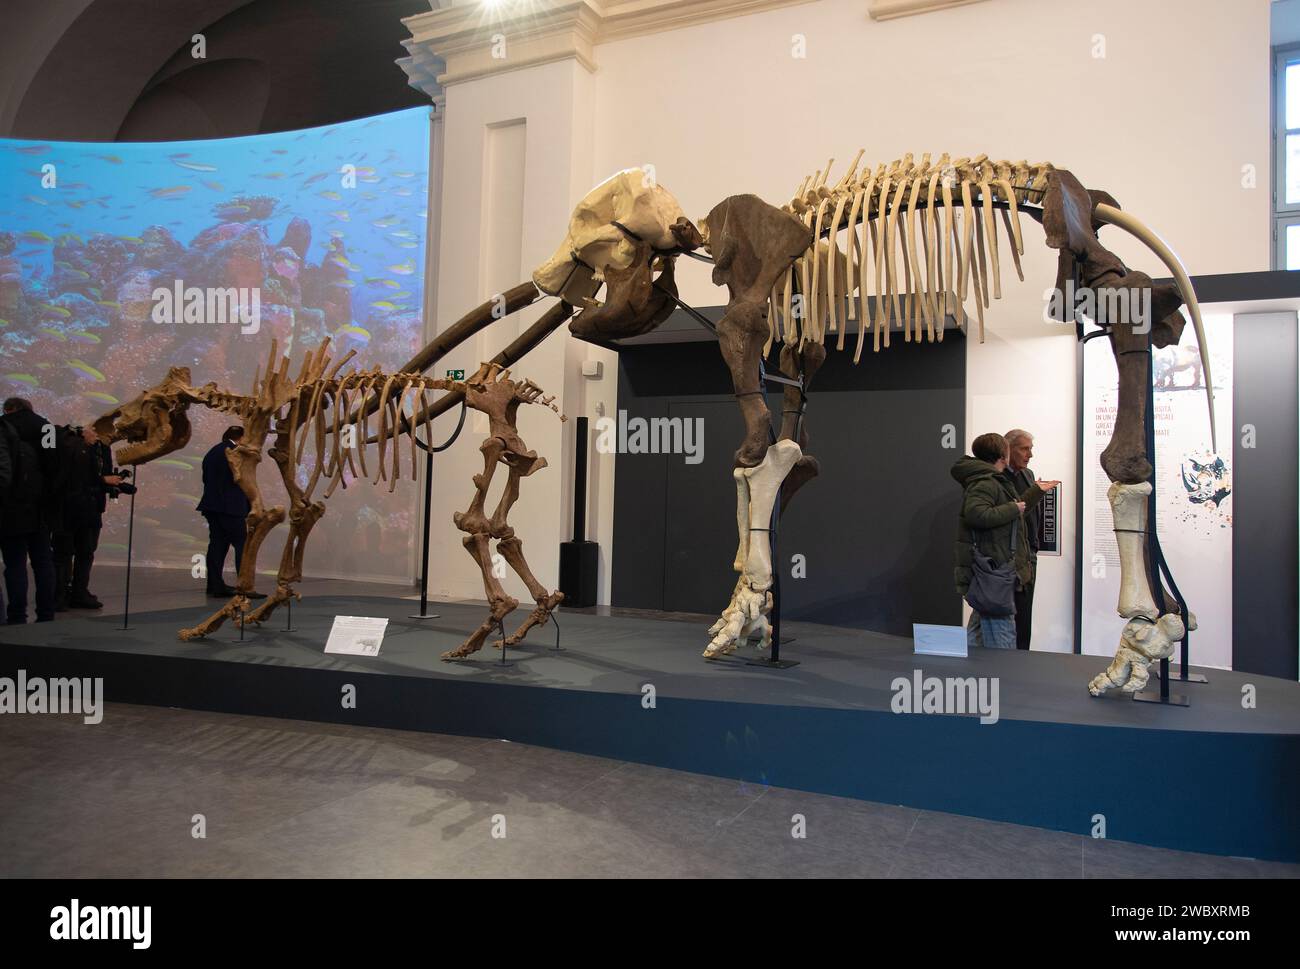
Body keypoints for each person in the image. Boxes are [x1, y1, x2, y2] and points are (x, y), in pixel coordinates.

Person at [950, 433, 1057, 649]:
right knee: (1003, 640)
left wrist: (1033, 494)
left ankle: (969, 674)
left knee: (979, 632)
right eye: (1024, 449)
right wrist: (1013, 507)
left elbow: (1014, 512)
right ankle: (1004, 679)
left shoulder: (993, 480)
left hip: (998, 566)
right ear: (1005, 453)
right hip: (995, 568)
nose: (1030, 454)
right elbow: (977, 514)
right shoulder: (986, 482)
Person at [51, 423, 122, 611]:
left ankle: (77, 592)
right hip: (71, 508)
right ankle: (60, 594)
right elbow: (77, 477)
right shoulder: (68, 445)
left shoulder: (102, 449)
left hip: (91, 508)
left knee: (85, 551)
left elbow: (99, 475)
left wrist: (111, 484)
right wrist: (77, 433)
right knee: (65, 552)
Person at [0, 398, 58, 622]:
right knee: (43, 562)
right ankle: (46, 613)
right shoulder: (47, 427)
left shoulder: (4, 426)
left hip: (11, 508)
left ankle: (17, 615)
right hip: (41, 508)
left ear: (9, 409)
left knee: (15, 564)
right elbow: (55, 466)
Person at [1002, 429, 1054, 650]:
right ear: (1008, 449)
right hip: (1008, 556)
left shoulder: (1028, 475)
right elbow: (1011, 511)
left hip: (1028, 554)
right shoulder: (998, 478)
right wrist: (1036, 493)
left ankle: (1021, 659)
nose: (1029, 454)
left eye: (1030, 449)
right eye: (1024, 449)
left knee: (1024, 615)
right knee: (1005, 614)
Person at [197, 426, 261, 598]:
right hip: (231, 508)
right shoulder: (236, 453)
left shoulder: (212, 452)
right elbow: (242, 480)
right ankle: (245, 586)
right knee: (243, 544)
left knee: (217, 545)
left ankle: (215, 585)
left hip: (212, 506)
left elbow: (206, 478)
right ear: (241, 438)